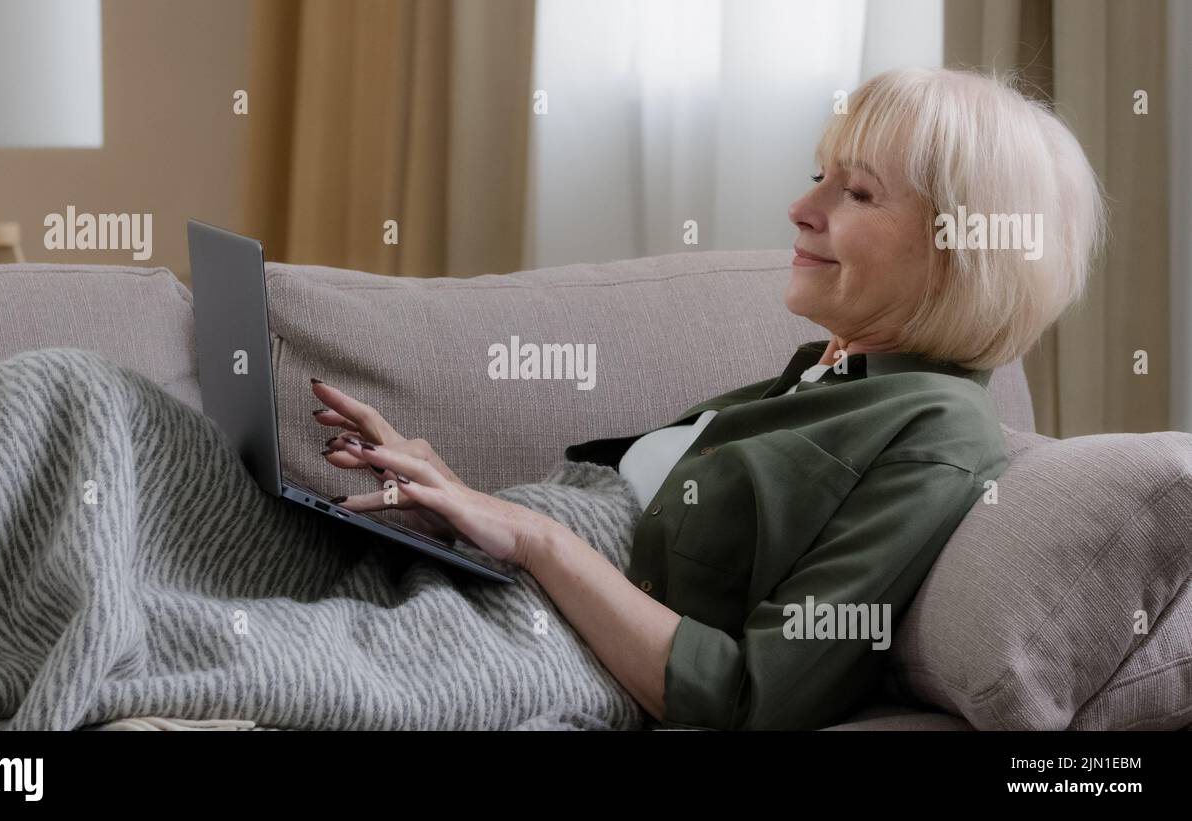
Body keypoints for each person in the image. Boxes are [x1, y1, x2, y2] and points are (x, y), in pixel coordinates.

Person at [314, 67, 1105, 730]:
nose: (803, 210)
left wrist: (537, 539)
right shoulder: (823, 375)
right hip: (489, 586)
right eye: (817, 175)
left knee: (245, 650)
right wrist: (448, 494)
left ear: (960, 250)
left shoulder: (939, 435)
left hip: (545, 644)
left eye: (858, 193)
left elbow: (749, 691)